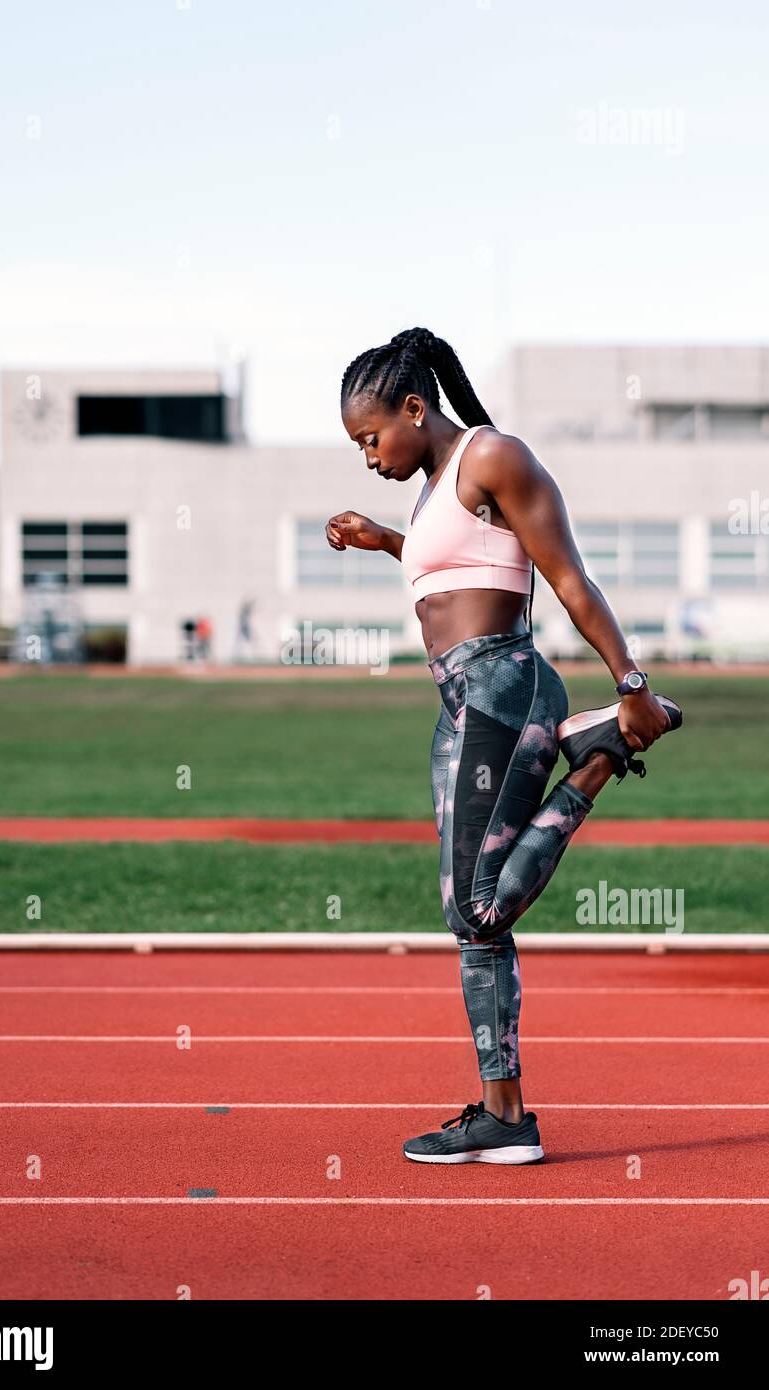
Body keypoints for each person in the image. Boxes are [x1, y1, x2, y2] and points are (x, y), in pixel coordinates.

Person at [328, 326, 682, 1166]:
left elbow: (566, 577)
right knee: (472, 919)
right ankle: (503, 1116)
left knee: (478, 908)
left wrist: (629, 685)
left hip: (503, 686)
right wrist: (385, 540)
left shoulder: (492, 457)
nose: (369, 455)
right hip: (462, 700)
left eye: (372, 436)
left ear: (415, 408)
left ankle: (595, 755)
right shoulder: (431, 492)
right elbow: (456, 570)